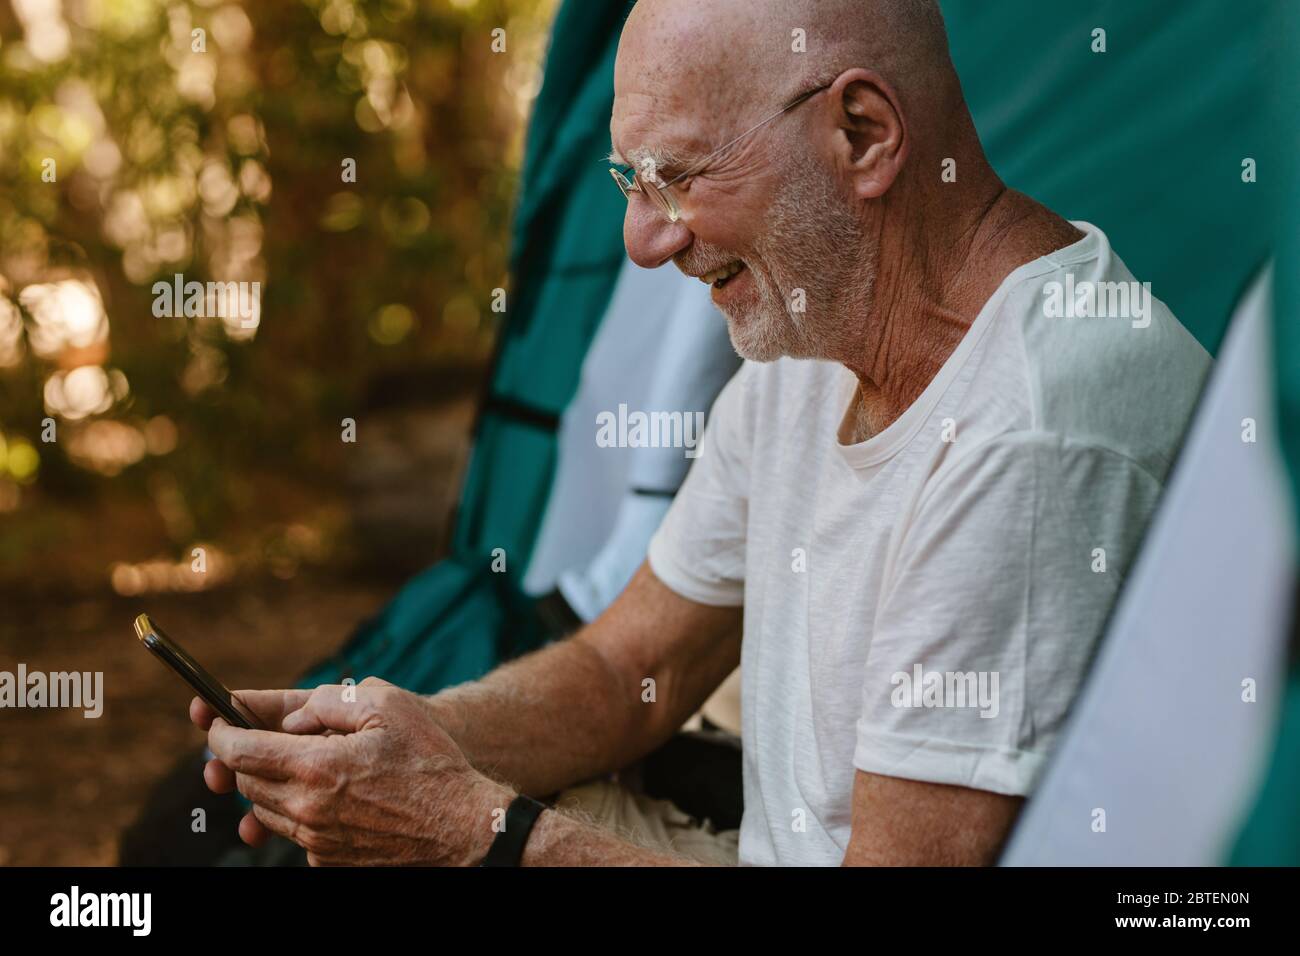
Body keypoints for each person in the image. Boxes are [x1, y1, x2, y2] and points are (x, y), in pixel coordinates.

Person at [190, 0, 1209, 866]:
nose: (643, 240)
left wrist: (476, 827)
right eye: (628, 184)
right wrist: (405, 738)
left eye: (676, 176)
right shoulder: (813, 335)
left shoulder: (1028, 435)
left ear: (860, 135)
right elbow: (629, 670)